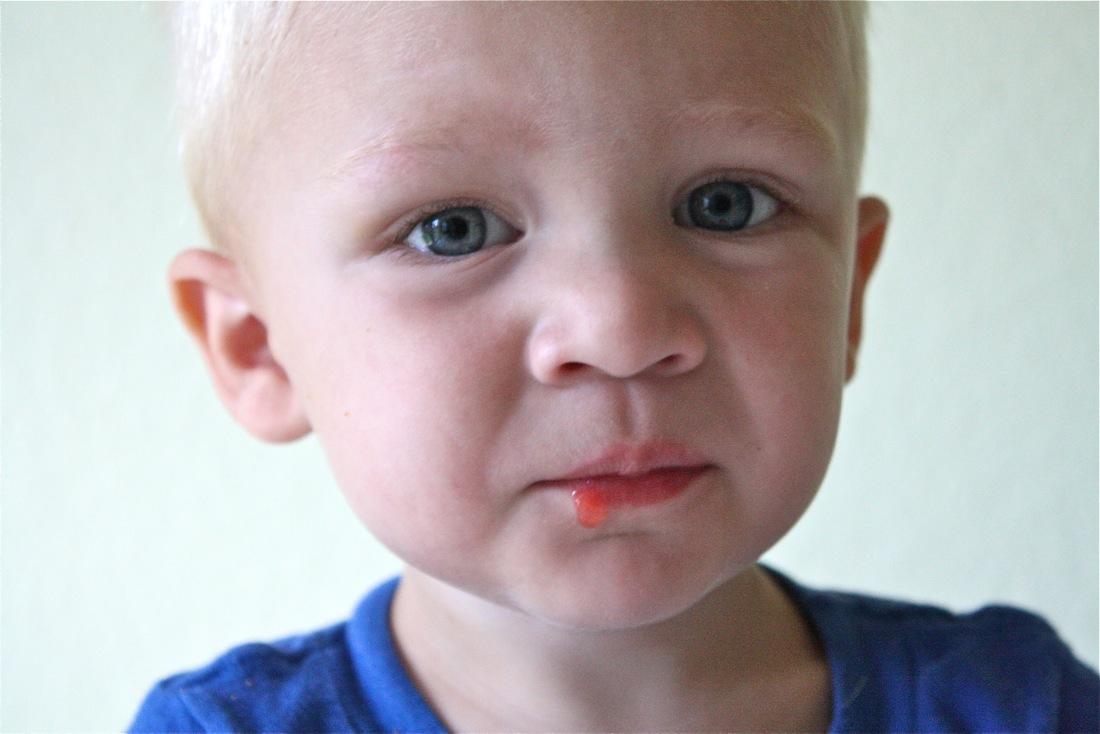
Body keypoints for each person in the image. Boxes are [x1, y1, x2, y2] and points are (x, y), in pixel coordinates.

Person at [130, 2, 1099, 732]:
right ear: (256, 344)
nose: (621, 327)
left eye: (725, 204)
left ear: (847, 293)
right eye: (451, 228)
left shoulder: (1022, 707)